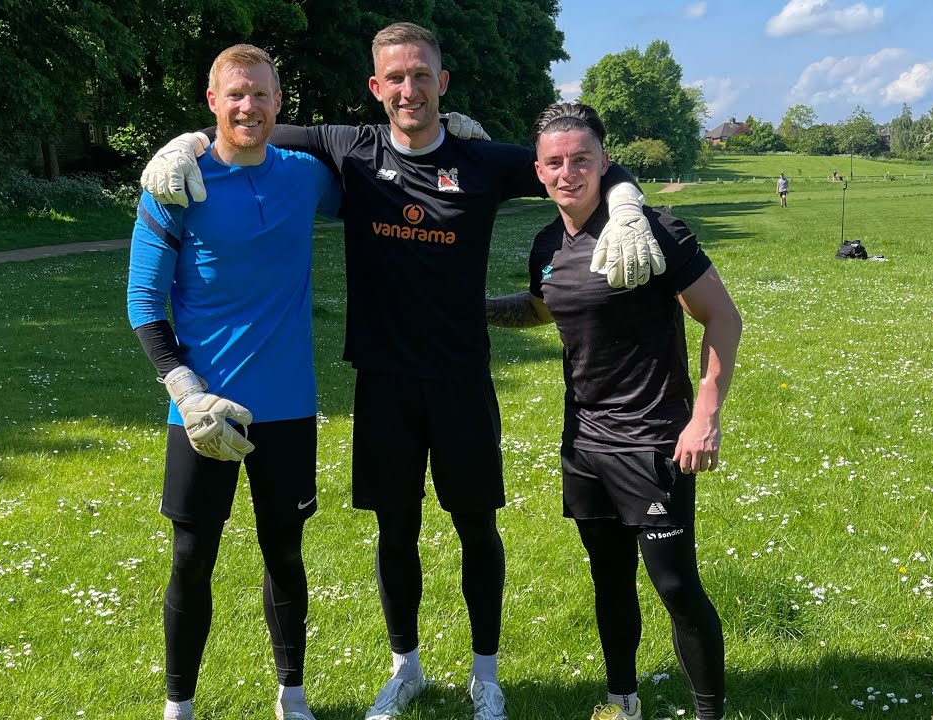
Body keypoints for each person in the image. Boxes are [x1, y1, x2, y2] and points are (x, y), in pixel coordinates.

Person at [138, 22, 667, 720]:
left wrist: (625, 204)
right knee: (395, 532)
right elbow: (247, 124)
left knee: (476, 529)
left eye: (422, 76)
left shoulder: (481, 160)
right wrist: (185, 143)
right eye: (396, 77)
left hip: (461, 378)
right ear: (376, 88)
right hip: (383, 380)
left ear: (442, 84)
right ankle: (406, 667)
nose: (409, 88)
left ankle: (486, 675)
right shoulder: (349, 148)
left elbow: (586, 161)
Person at [485, 103, 741, 720]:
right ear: (539, 172)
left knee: (676, 585)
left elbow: (722, 317)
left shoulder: (652, 231)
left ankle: (709, 712)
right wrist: (480, 308)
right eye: (555, 162)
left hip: (654, 438)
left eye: (580, 159)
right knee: (609, 580)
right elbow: (547, 307)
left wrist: (705, 414)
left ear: (604, 161)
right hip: (585, 442)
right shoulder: (548, 242)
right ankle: (622, 699)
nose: (567, 172)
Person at [126, 44, 341, 720]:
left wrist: (449, 136)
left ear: (280, 103)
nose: (249, 106)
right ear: (213, 101)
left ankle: (292, 695)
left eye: (261, 95)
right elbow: (142, 299)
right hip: (203, 410)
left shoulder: (305, 176)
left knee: (285, 551)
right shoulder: (175, 183)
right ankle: (179, 704)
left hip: (287, 407)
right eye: (235, 94)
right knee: (192, 556)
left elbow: (387, 168)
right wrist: (183, 389)